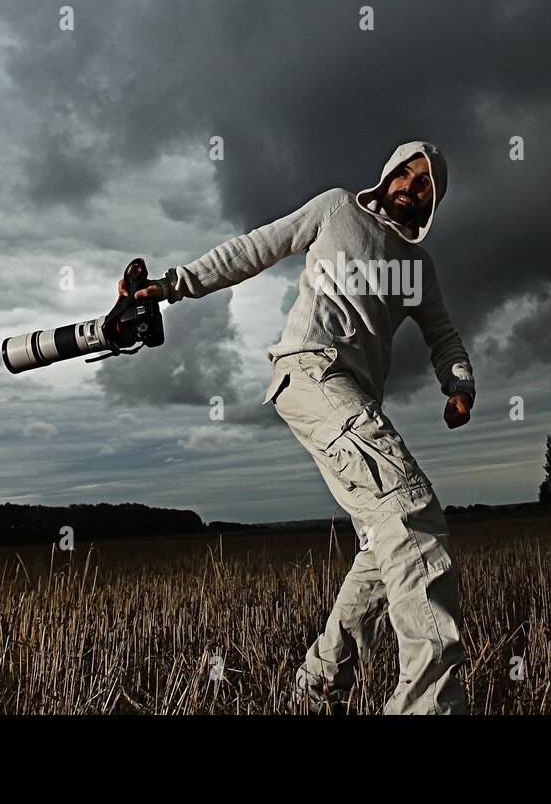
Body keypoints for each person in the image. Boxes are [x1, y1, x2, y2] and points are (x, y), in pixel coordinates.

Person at [119, 140, 475, 714]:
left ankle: (315, 691)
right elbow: (256, 248)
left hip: (358, 397)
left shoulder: (418, 268)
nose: (412, 184)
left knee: (382, 552)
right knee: (412, 517)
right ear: (388, 173)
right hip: (310, 370)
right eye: (407, 172)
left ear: (433, 202)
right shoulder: (337, 210)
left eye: (427, 183)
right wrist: (171, 285)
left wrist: (459, 386)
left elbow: (443, 335)